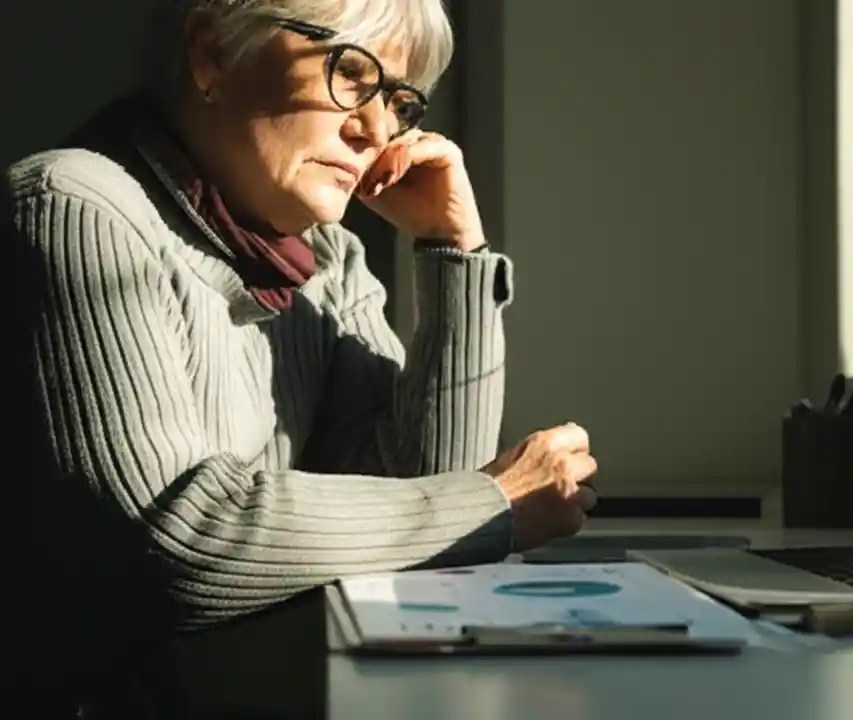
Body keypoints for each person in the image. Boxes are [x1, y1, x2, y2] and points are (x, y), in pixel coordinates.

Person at [2, 0, 598, 714]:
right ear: (213, 55)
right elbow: (173, 539)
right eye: (351, 71)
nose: (375, 128)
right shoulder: (72, 206)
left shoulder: (324, 260)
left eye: (401, 102)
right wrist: (495, 502)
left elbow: (423, 504)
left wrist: (453, 254)